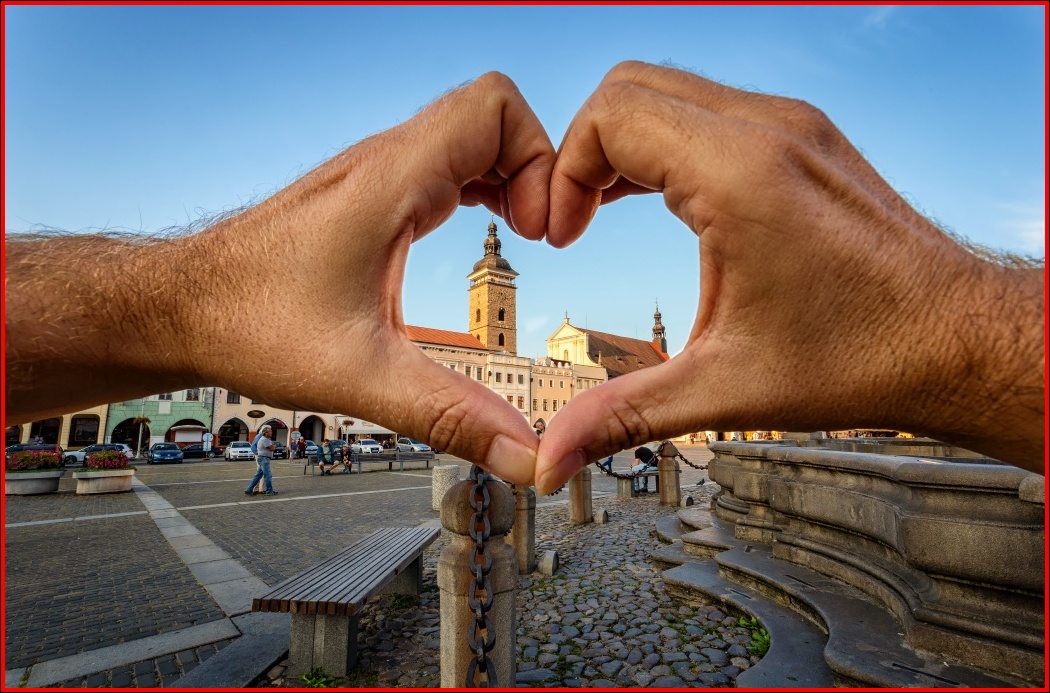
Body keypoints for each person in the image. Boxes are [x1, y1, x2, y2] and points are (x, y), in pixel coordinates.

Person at [5, 63, 1042, 495]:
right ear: (481, 301)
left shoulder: (551, 343)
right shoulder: (493, 333)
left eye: (495, 303)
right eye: (488, 300)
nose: (494, 307)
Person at [245, 426, 277, 496]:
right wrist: (274, 446)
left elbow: (272, 447)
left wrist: (273, 446)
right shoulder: (264, 439)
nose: (271, 432)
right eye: (270, 431)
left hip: (263, 459)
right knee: (268, 475)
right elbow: (272, 448)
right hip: (264, 459)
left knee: (258, 476)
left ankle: (248, 490)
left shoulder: (266, 439)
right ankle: (269, 491)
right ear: (266, 433)